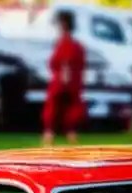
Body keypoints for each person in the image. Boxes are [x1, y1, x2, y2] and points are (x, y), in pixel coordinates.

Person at [41, 9, 85, 146]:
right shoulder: (75, 45)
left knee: (52, 118)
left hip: (61, 84)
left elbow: (65, 63)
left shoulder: (65, 44)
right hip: (72, 84)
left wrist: (64, 81)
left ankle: (48, 146)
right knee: (69, 122)